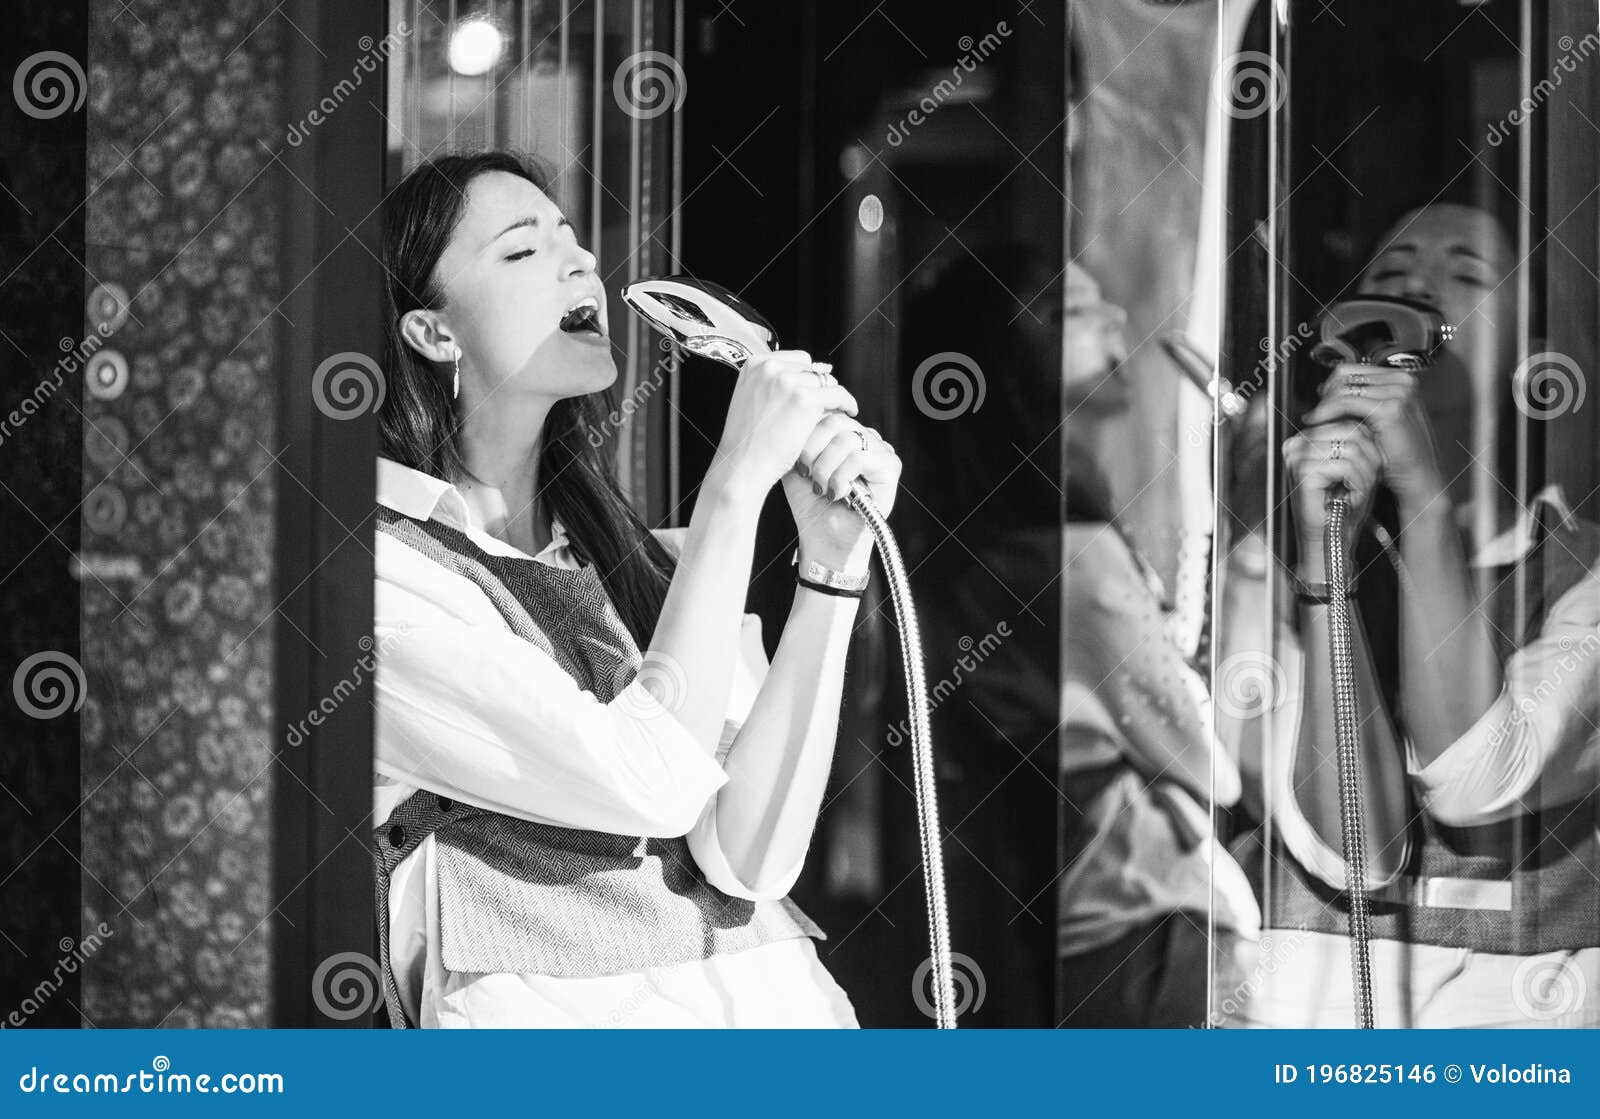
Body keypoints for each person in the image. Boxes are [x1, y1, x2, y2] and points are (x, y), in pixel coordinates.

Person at [369, 151, 902, 1027]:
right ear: (432, 331)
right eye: (521, 250)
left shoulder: (638, 562)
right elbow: (645, 779)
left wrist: (830, 570)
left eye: (574, 240)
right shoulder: (392, 579)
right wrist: (734, 481)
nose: (580, 263)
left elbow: (749, 857)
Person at [1223, 202, 1600, 1027]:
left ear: (1533, 363)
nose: (1418, 287)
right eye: (1390, 279)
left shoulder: (1589, 572)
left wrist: (1424, 500)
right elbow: (1354, 849)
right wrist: (1329, 566)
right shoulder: (1270, 565)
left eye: (1465, 274)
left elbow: (1478, 773)